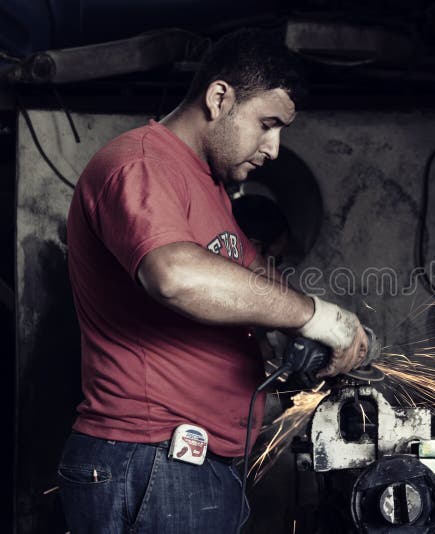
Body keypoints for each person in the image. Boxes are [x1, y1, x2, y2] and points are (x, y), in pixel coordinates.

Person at [58, 29, 368, 533]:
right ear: (219, 98)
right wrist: (316, 317)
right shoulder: (142, 163)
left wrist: (328, 334)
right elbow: (175, 275)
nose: (273, 148)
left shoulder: (210, 190)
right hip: (153, 457)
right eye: (267, 125)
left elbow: (250, 278)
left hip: (189, 466)